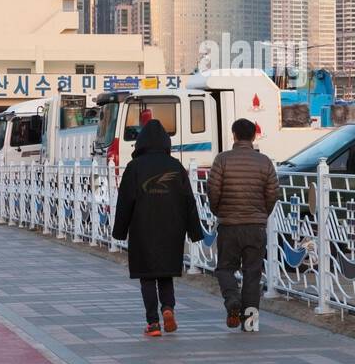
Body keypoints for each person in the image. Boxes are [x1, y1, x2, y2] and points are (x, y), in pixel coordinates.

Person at [112, 119, 203, 338]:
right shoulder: (175, 167)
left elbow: (125, 201)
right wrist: (195, 231)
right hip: (172, 229)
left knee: (147, 276)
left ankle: (153, 323)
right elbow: (188, 201)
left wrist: (119, 231)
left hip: (142, 229)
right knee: (166, 274)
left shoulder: (134, 167)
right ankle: (168, 308)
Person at [207, 118, 279, 332]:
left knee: (225, 268)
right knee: (253, 273)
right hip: (255, 226)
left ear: (234, 135)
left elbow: (213, 190)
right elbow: (273, 192)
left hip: (229, 225)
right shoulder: (264, 162)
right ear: (254, 136)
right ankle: (250, 322)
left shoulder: (222, 160)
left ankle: (232, 301)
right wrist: (262, 213)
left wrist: (218, 210)